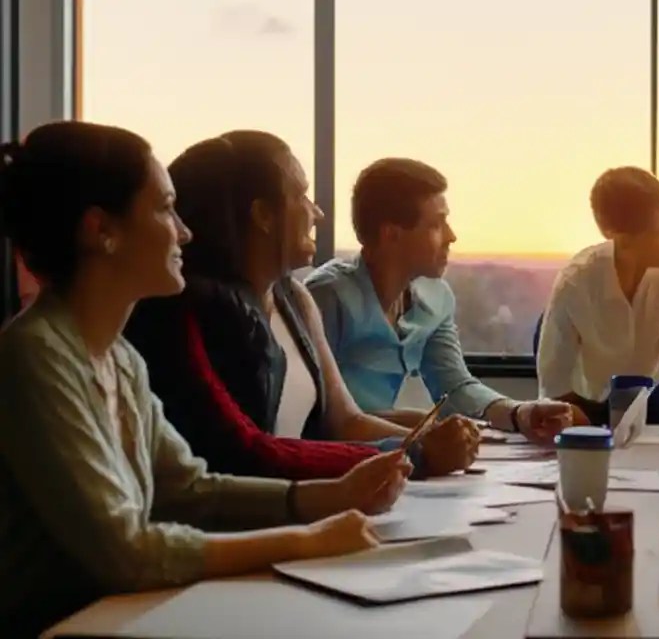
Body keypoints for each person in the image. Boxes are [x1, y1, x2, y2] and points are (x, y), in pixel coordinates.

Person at [0, 122, 410, 636]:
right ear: (100, 230)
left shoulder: (120, 359)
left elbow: (192, 489)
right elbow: (126, 551)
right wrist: (302, 541)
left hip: (131, 616)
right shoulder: (35, 355)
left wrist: (331, 496)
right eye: (163, 208)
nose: (185, 230)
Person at [124, 132, 478, 479]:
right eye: (302, 196)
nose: (317, 213)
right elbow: (245, 452)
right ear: (263, 215)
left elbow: (344, 422)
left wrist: (431, 443)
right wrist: (413, 453)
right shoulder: (188, 315)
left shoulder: (294, 299)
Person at [306, 158, 578, 444]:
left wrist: (519, 413)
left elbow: (455, 385)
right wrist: (423, 434)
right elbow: (319, 417)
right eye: (436, 224)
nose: (451, 236)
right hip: (340, 462)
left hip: (395, 454)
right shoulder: (327, 298)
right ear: (392, 234)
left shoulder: (436, 298)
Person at [537, 166, 659, 424]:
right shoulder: (575, 283)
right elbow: (554, 390)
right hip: (584, 407)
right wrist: (598, 444)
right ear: (623, 241)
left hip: (646, 400)